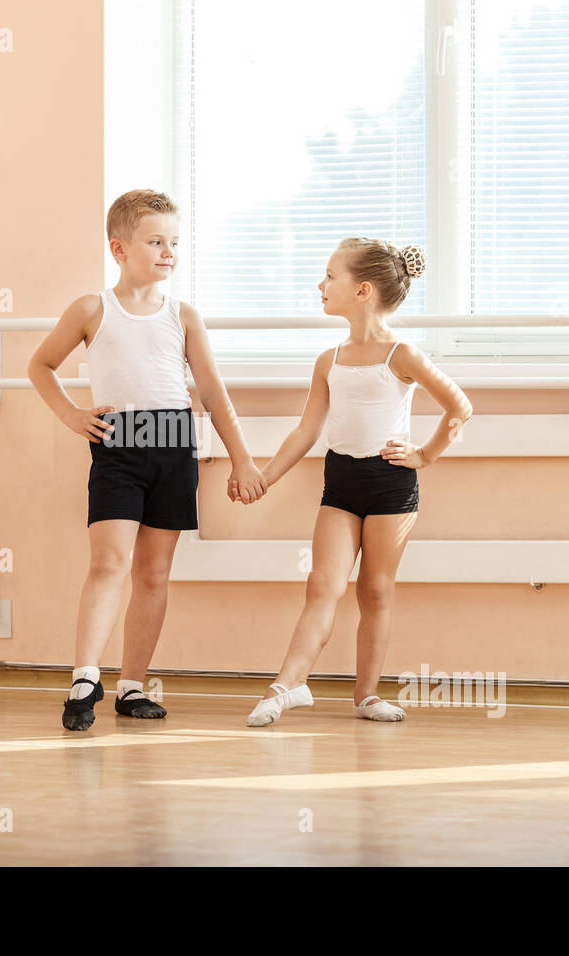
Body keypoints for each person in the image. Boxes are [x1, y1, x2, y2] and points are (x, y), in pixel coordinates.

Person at [28, 189, 268, 731]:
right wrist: (72, 415)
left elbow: (212, 391)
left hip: (174, 445)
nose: (168, 252)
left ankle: (131, 686)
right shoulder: (92, 309)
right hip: (118, 447)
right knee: (108, 563)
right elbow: (40, 365)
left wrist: (243, 460)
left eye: (174, 243)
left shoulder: (183, 315)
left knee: (154, 572)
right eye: (156, 241)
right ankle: (85, 679)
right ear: (119, 247)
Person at [231, 238, 472, 727]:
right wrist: (264, 478)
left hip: (390, 487)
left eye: (329, 276)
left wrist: (424, 454)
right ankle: (287, 686)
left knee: (376, 590)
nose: (320, 285)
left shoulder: (402, 354)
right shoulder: (329, 359)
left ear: (362, 290)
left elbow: (459, 407)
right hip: (339, 482)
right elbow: (307, 429)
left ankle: (366, 696)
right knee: (322, 584)